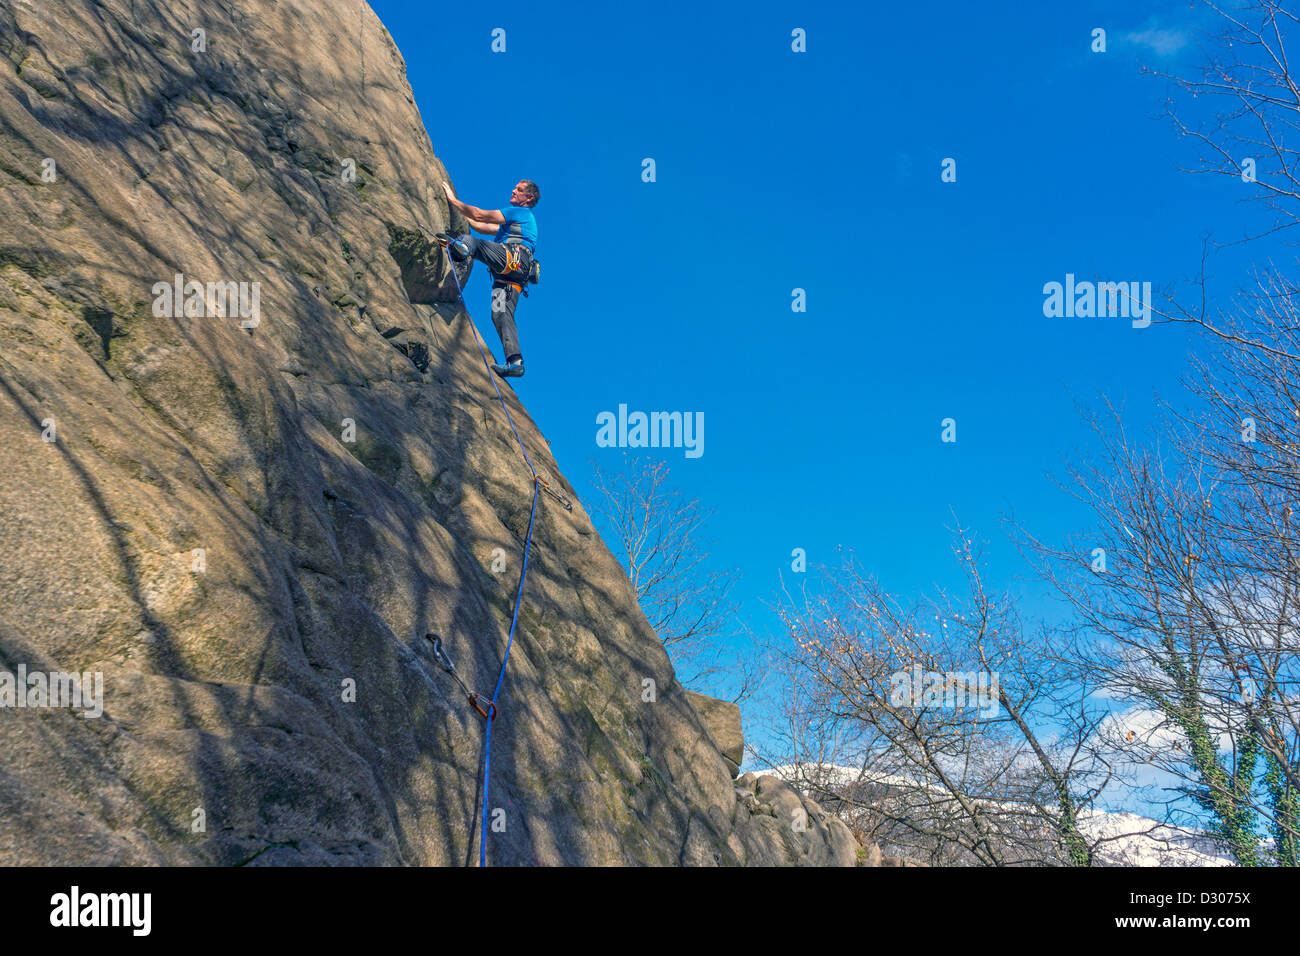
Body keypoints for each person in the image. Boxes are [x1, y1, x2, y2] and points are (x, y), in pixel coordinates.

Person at [436, 179, 539, 378]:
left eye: (519, 189)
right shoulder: (511, 226)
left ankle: (461, 249)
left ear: (528, 198)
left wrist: (453, 200)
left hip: (512, 259)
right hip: (513, 275)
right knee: (501, 313)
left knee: (472, 243)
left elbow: (480, 215)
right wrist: (459, 212)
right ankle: (515, 362)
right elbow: (479, 225)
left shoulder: (520, 213)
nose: (513, 190)